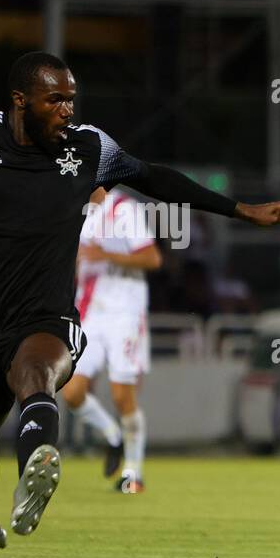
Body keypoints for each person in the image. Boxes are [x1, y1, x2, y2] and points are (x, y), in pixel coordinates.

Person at [0, 51, 280, 558]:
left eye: (72, 99)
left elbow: (156, 178)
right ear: (18, 101)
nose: (67, 111)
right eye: (55, 99)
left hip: (47, 317)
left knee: (36, 374)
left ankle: (36, 466)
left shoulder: (89, 149)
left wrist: (242, 209)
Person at [60, 187, 161, 493]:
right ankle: (112, 434)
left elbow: (152, 258)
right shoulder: (82, 214)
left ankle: (134, 472)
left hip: (124, 314)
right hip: (90, 313)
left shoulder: (124, 209)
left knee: (122, 396)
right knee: (71, 392)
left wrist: (103, 254)